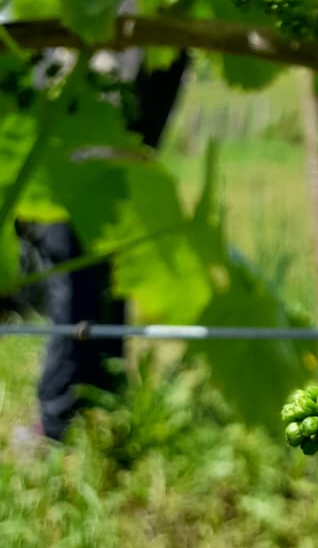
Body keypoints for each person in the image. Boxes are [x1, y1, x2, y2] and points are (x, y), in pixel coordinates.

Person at [14, 50, 189, 440]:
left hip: (79, 157)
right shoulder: (153, 36)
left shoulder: (116, 32)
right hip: (115, 161)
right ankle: (104, 404)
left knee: (73, 283)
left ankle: (57, 425)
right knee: (103, 281)